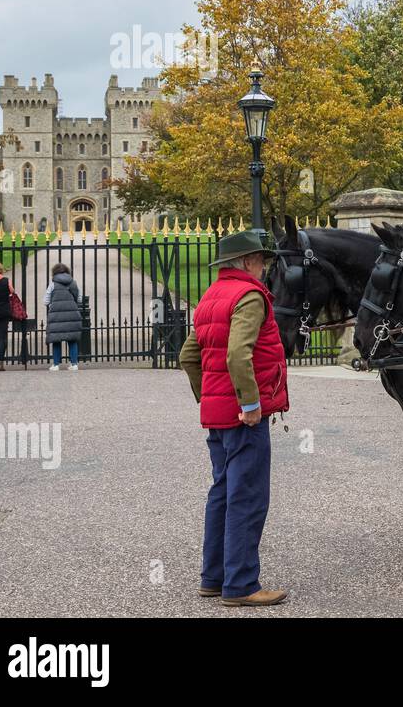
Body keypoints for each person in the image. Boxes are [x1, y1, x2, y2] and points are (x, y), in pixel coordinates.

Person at [178, 229, 290, 608]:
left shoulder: (210, 297)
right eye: (261, 259)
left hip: (218, 415)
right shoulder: (249, 296)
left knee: (222, 492)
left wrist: (209, 399)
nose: (264, 266)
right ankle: (241, 584)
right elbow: (237, 355)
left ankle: (214, 578)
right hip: (244, 417)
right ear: (246, 262)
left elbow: (188, 357)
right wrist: (249, 404)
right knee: (248, 496)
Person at [44, 263, 83, 372]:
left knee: (56, 339)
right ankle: (74, 363)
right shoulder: (73, 283)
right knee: (72, 340)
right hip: (71, 314)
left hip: (56, 315)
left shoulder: (52, 284)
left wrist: (53, 303)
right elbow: (79, 299)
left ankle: (56, 364)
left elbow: (45, 301)